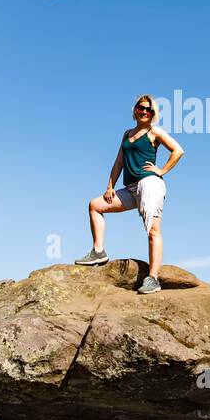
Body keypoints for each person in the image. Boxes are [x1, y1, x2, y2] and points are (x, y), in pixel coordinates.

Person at [75, 94, 185, 293]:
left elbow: (178, 150)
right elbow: (119, 161)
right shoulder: (126, 134)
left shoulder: (155, 132)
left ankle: (153, 278)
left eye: (148, 110)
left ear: (153, 114)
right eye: (141, 108)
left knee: (153, 230)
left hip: (149, 184)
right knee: (95, 205)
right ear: (135, 109)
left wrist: (161, 170)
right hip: (130, 188)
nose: (144, 112)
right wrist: (110, 186)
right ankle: (98, 252)